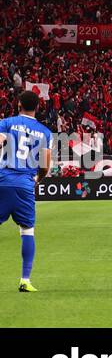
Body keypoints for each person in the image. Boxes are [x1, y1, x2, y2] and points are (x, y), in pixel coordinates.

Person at [0, 90, 53, 292]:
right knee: (27, 230)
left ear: (18, 104)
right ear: (37, 107)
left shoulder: (6, 123)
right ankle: (25, 279)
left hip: (3, 179)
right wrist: (37, 179)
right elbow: (45, 164)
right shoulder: (45, 132)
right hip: (25, 184)